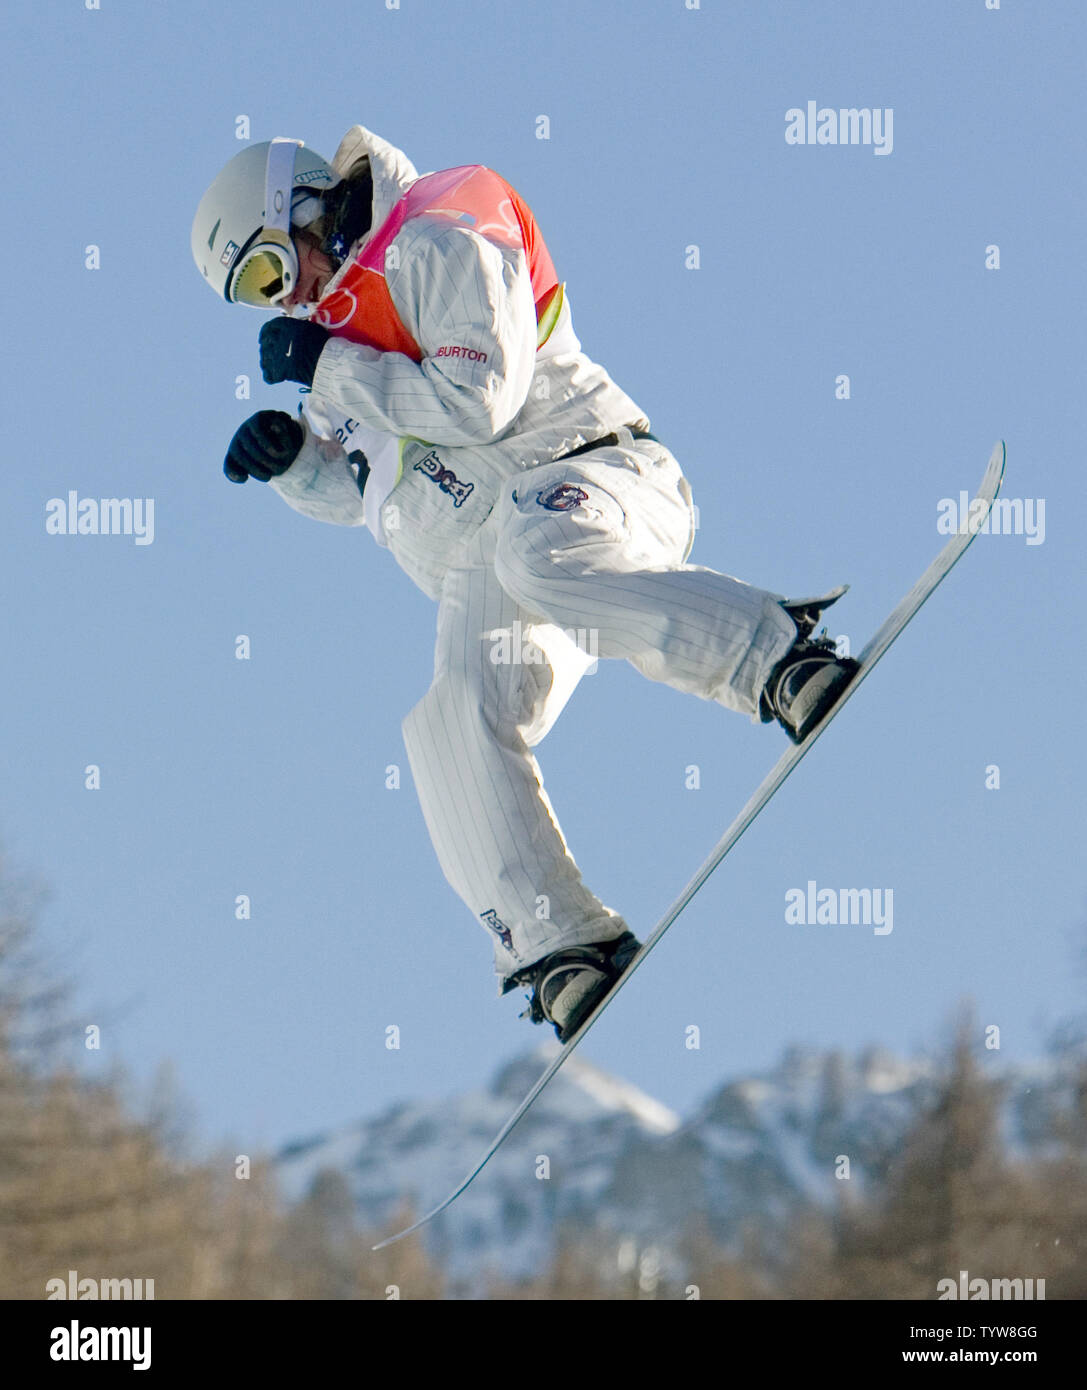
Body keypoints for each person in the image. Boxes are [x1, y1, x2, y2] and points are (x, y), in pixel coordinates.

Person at [190, 126, 857, 1042]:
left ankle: (775, 656)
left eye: (272, 271)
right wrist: (296, 463)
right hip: (492, 545)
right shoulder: (336, 337)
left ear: (304, 212)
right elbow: (368, 490)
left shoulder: (437, 235)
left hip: (594, 475)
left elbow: (480, 401)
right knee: (448, 717)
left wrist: (331, 370)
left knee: (535, 555)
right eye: (258, 297)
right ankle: (558, 943)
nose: (287, 297)